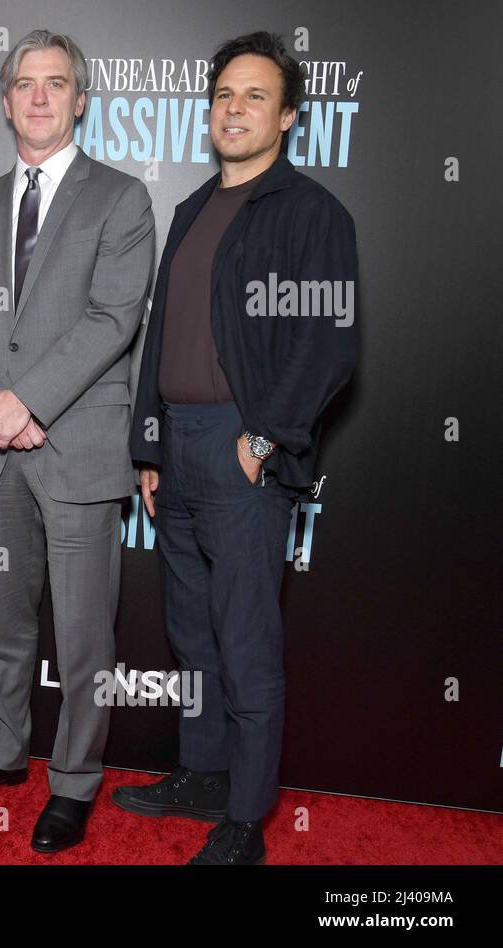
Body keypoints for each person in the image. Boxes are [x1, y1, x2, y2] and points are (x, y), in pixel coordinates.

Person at [114, 31, 359, 864]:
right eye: (224, 95)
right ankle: (203, 773)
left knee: (245, 638)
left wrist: (262, 439)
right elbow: (161, 338)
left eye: (255, 96)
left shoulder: (312, 213)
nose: (234, 109)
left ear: (287, 115)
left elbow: (327, 344)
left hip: (240, 451)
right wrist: (148, 439)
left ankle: (247, 817)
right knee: (192, 635)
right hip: (176, 450)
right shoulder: (189, 209)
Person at [0, 30, 155, 853]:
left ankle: (74, 781)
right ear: (4, 100)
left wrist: (27, 402)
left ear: (81, 98)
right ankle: (2, 750)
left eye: (55, 83)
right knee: (5, 621)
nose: (38, 97)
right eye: (24, 83)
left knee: (86, 630)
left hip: (78, 448)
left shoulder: (121, 199)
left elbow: (113, 319)